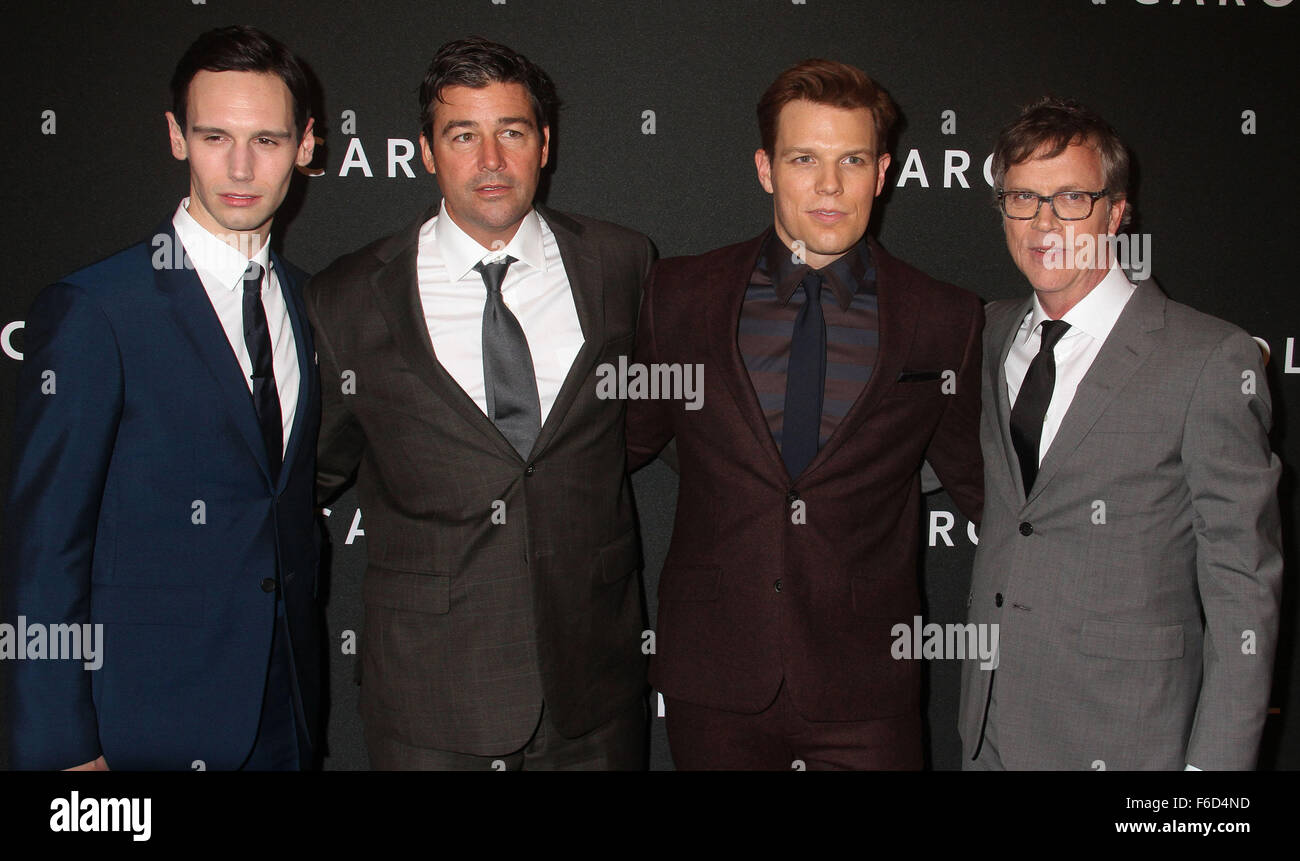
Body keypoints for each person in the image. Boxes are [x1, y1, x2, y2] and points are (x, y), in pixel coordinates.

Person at [306, 37, 655, 770]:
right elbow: (311, 472)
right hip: (428, 701)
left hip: (592, 692)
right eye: (463, 135)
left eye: (513, 132)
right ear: (427, 153)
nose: (490, 160)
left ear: (545, 143)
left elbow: (653, 425)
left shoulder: (622, 263)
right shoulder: (347, 298)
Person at [626, 59, 984, 769]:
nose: (828, 185)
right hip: (714, 681)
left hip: (866, 691)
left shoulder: (945, 319)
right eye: (804, 159)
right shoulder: (680, 295)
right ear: (766, 169)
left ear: (882, 174)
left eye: (852, 159)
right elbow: (615, 448)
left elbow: (988, 491)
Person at [4, 25, 323, 770]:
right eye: (215, 136)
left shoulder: (309, 303)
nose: (240, 167)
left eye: (268, 140)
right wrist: (63, 751)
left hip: (287, 720)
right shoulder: (97, 309)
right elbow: (46, 550)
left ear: (306, 145)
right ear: (176, 136)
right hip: (139, 732)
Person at [959, 97, 1282, 770]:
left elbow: (1242, 585)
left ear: (1116, 210)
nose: (1044, 222)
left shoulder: (1208, 359)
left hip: (1128, 740)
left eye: (1071, 197)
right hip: (988, 730)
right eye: (1022, 197)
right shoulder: (986, 334)